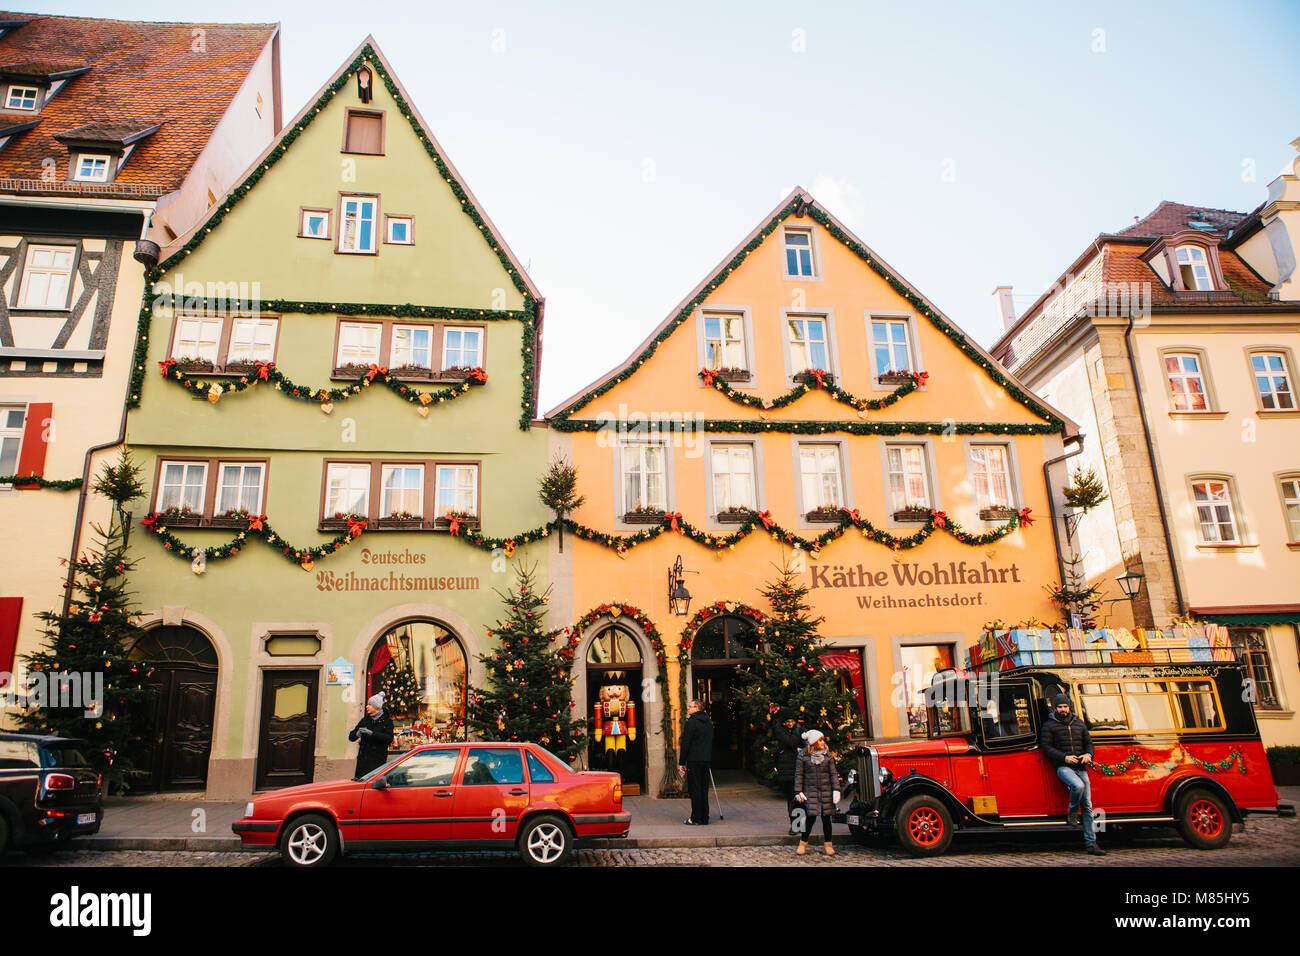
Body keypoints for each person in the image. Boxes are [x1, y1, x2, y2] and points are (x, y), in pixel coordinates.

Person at [1039, 692, 1105, 856]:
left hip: (1081, 767)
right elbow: (1046, 747)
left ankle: (1091, 844)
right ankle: (1072, 811)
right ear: (1055, 708)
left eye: (1065, 706)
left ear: (1069, 707)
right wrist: (1065, 757)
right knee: (1078, 785)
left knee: (1088, 807)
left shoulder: (1079, 724)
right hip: (1063, 767)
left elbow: (1089, 744)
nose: (1063, 709)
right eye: (1060, 707)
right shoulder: (1049, 725)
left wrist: (1088, 755)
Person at [793, 729, 839, 856]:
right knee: (810, 819)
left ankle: (828, 844)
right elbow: (799, 774)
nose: (823, 742)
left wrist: (836, 790)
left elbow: (833, 774)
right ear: (813, 742)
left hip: (826, 791)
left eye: (823, 739)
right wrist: (798, 791)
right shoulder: (803, 756)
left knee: (826, 819)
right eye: (820, 740)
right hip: (811, 791)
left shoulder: (827, 755)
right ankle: (803, 843)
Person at [678, 698, 714, 826]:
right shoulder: (708, 721)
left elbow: (686, 743)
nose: (688, 708)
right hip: (705, 759)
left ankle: (696, 817)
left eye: (690, 707)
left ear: (697, 708)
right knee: (703, 789)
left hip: (694, 760)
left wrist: (682, 762)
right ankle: (705, 817)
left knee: (695, 790)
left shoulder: (691, 722)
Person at [349, 692, 395, 780]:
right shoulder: (365, 720)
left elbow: (388, 739)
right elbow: (351, 737)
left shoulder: (387, 722)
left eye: (369, 705)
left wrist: (372, 733)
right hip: (362, 764)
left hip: (377, 762)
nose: (367, 706)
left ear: (376, 706)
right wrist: (357, 733)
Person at [772, 711, 805, 832]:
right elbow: (791, 743)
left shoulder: (798, 729)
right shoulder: (779, 729)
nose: (790, 724)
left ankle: (800, 825)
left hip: (798, 767)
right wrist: (797, 730)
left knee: (800, 798)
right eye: (788, 722)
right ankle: (796, 825)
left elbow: (803, 744)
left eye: (792, 721)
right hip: (787, 768)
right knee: (792, 798)